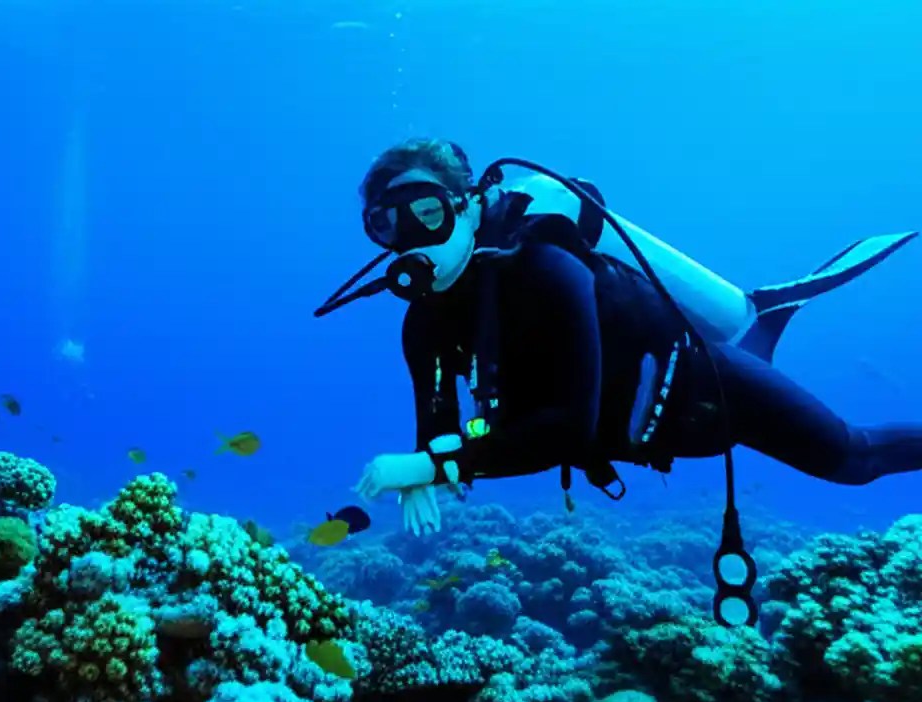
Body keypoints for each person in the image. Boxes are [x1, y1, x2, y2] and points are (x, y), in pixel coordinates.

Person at [314, 138, 920, 625]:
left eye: (427, 211)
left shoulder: (546, 266)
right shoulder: (423, 325)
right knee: (772, 359)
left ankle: (762, 315)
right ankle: (765, 316)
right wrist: (430, 463)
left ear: (469, 205)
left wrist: (431, 468)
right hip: (641, 438)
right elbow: (440, 426)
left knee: (851, 458)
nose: (413, 239)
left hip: (705, 393)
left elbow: (568, 429)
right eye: (388, 227)